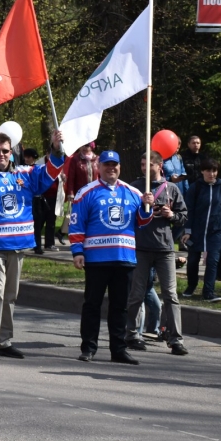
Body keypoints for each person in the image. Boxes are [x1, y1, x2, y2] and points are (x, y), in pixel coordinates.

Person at [0, 130, 64, 361]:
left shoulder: (26, 174)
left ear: (12, 152)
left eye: (5, 151)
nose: (1, 155)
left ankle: (5, 341)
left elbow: (51, 171)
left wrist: (56, 149)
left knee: (10, 295)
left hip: (18, 245)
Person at [70, 150, 153, 365]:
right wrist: (77, 252)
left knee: (120, 307)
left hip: (124, 257)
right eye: (107, 164)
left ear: (120, 167)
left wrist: (147, 206)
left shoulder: (133, 192)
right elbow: (76, 225)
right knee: (92, 305)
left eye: (114, 164)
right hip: (96, 259)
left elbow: (142, 223)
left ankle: (119, 349)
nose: (111, 168)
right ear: (99, 167)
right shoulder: (86, 193)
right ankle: (88, 348)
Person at [125, 151, 188, 355]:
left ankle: (175, 339)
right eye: (142, 164)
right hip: (141, 248)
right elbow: (127, 215)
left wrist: (172, 215)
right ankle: (132, 334)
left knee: (171, 295)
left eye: (148, 164)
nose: (144, 168)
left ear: (160, 166)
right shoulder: (135, 187)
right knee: (136, 293)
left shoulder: (172, 189)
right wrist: (143, 206)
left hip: (165, 249)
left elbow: (183, 216)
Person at [182, 159, 221, 302]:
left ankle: (208, 292)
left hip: (217, 231)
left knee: (213, 260)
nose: (211, 174)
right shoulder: (195, 187)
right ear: (202, 171)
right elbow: (189, 210)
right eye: (208, 171)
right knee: (193, 259)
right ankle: (191, 285)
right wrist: (188, 230)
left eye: (214, 171)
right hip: (196, 230)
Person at [63, 143, 99, 244]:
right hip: (80, 195)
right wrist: (70, 193)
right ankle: (78, 240)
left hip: (95, 194)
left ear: (92, 146)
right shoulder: (75, 159)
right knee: (80, 218)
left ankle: (92, 239)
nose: (84, 148)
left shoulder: (97, 159)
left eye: (87, 145)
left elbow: (100, 177)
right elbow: (71, 178)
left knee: (94, 217)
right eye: (82, 145)